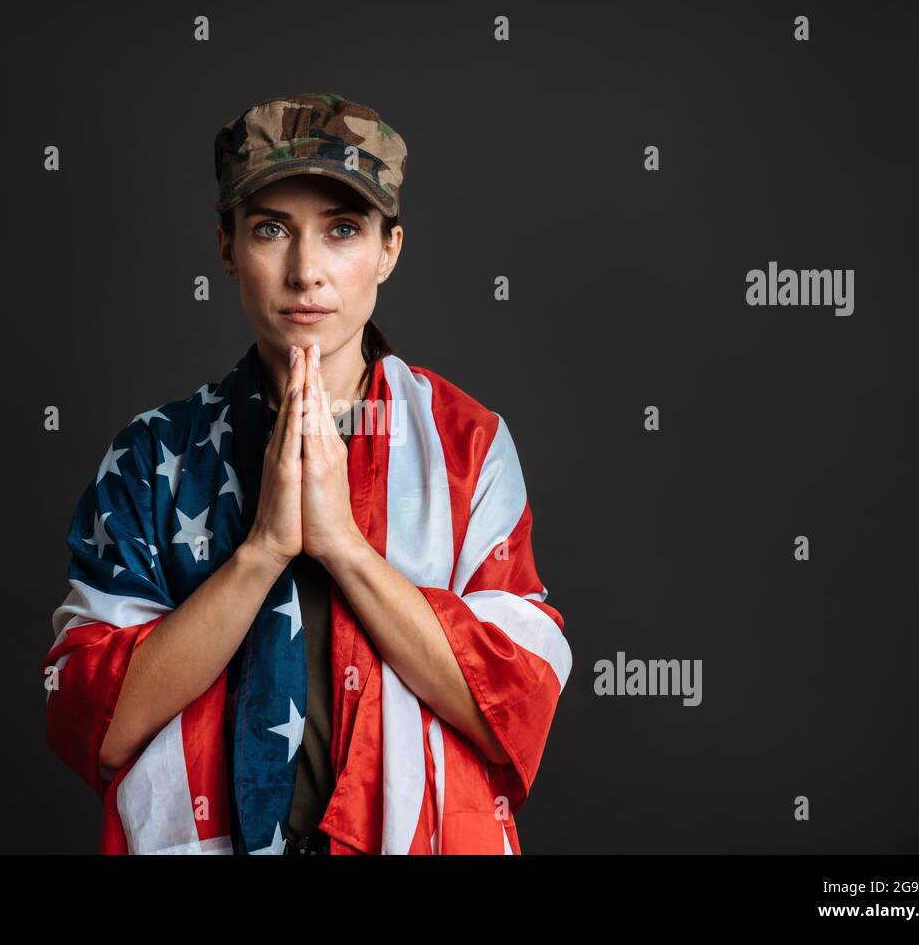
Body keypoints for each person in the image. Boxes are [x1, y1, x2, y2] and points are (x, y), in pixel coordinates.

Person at [41, 93, 571, 855]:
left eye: (343, 230)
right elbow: (95, 721)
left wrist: (343, 546)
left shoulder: (466, 444)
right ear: (226, 246)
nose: (306, 272)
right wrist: (262, 549)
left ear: (389, 249)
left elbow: (513, 703)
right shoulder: (154, 456)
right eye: (269, 231)